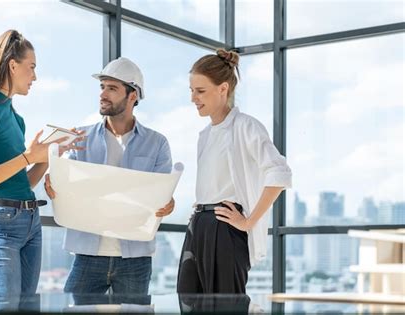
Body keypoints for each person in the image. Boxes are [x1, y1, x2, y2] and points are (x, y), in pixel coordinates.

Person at [0, 30, 79, 311]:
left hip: (30, 222)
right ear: (13, 65)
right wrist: (28, 155)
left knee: (26, 307)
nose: (35, 77)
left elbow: (21, 182)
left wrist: (47, 156)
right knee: (1, 304)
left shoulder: (17, 119)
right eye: (32, 67)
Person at [44, 57, 175, 300]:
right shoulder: (79, 138)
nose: (103, 94)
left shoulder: (157, 143)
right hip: (87, 255)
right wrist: (53, 182)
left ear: (132, 95)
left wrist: (169, 203)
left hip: (135, 259)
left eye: (112, 88)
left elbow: (162, 193)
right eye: (102, 87)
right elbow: (64, 184)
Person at [177, 49, 292, 294]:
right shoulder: (205, 135)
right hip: (199, 225)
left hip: (225, 227)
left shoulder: (246, 126)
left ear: (223, 89)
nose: (193, 98)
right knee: (187, 299)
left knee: (226, 304)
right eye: (191, 90)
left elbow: (279, 173)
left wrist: (249, 221)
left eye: (200, 91)